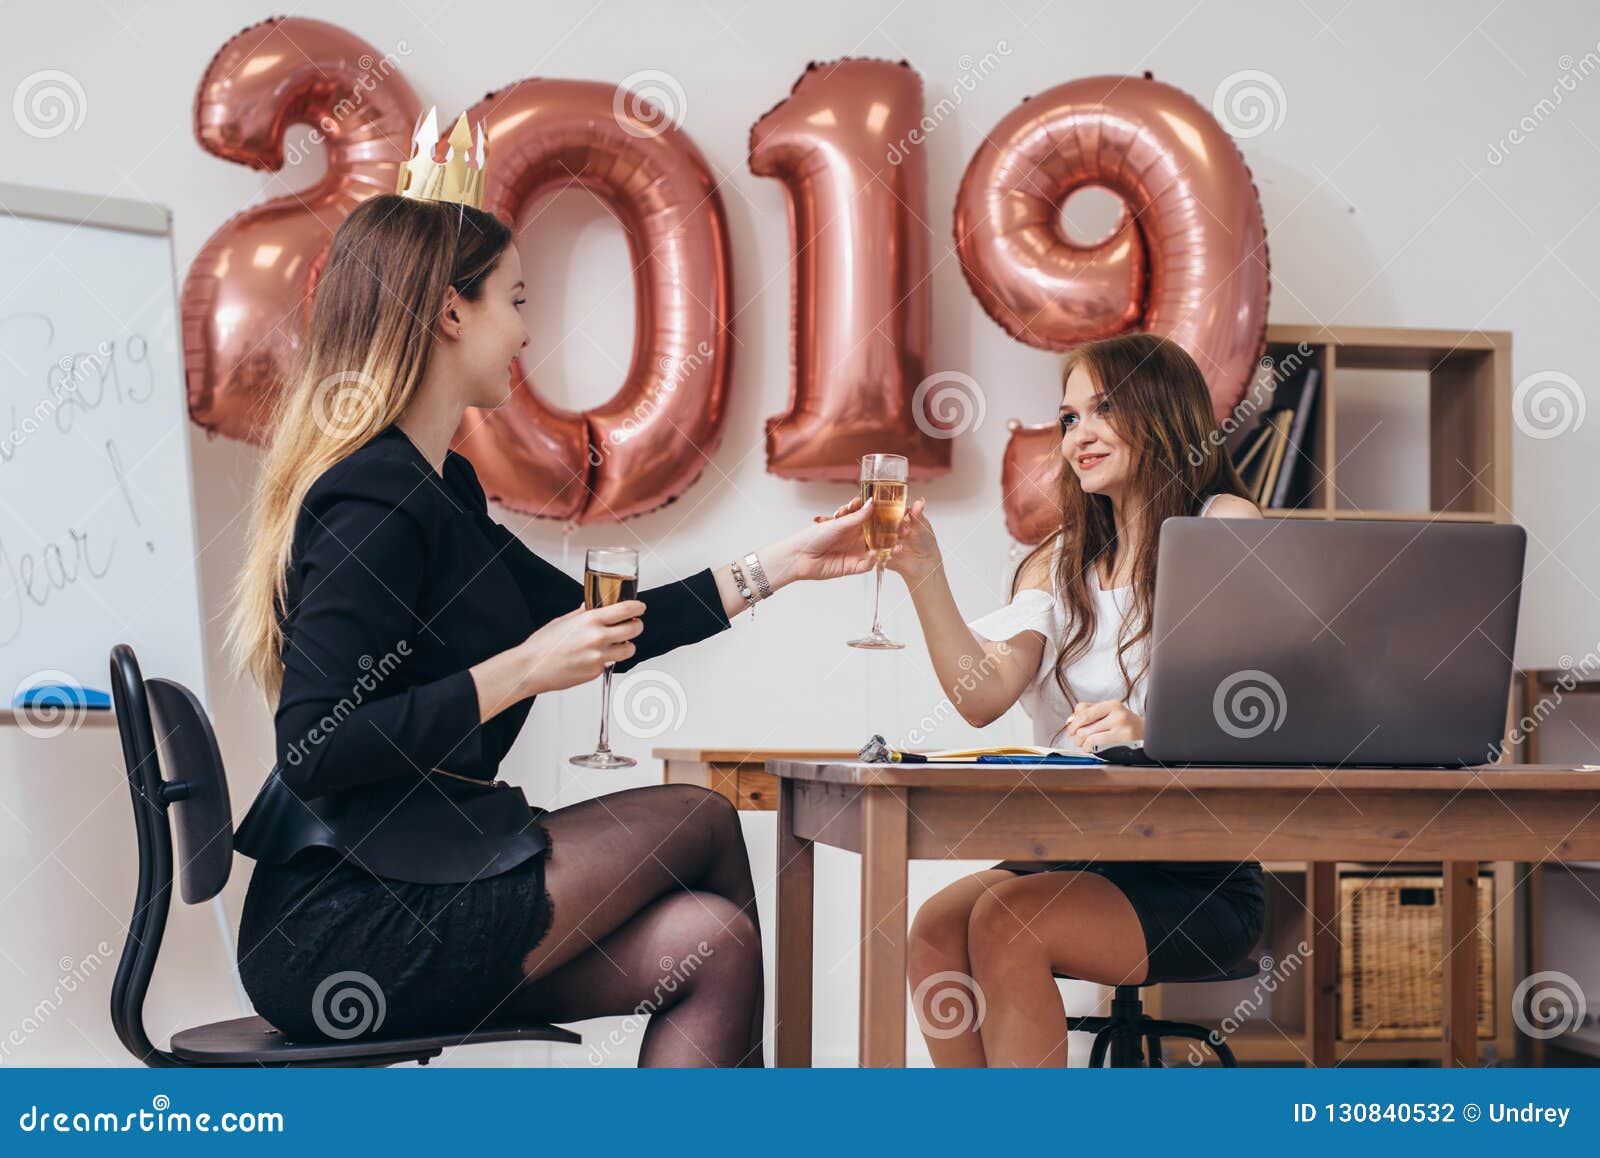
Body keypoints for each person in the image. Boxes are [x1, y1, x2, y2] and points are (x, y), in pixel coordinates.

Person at [225, 191, 879, 1067]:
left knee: (713, 939)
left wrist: (785, 563)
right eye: (517, 300)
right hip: (347, 924)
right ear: (452, 310)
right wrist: (523, 671)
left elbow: (602, 625)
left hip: (425, 877)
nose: (528, 333)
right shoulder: (371, 497)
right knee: (706, 817)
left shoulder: (440, 489)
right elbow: (313, 745)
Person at [839, 332, 1267, 1066]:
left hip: (1193, 868)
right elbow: (983, 697)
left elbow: (1256, 701)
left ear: (1162, 410)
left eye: (1103, 409)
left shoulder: (1222, 525)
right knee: (935, 931)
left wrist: (1151, 726)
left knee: (1009, 921)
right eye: (1069, 418)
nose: (1080, 435)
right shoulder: (1058, 559)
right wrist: (924, 574)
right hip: (1072, 851)